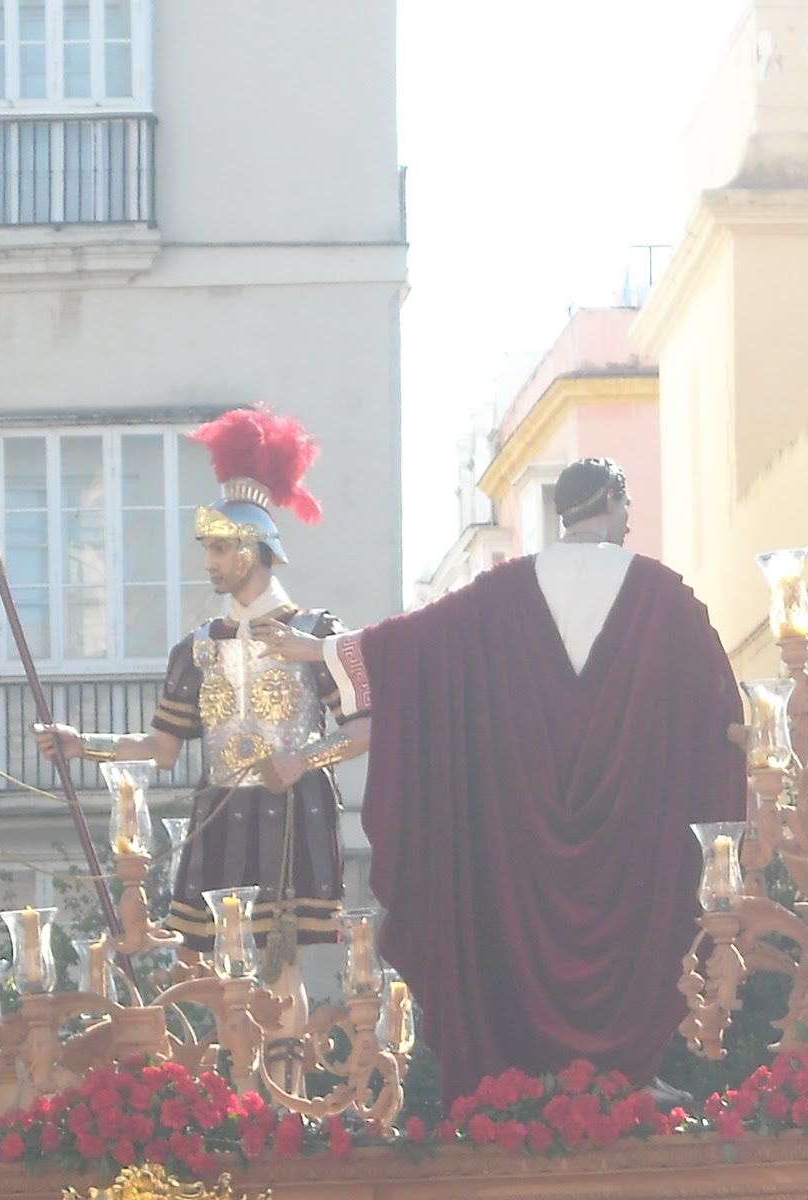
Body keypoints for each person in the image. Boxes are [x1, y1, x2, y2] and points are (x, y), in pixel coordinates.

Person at [255, 457, 746, 1106]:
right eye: (626, 504)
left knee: (513, 946)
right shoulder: (664, 597)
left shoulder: (501, 592)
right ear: (610, 499)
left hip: (525, 848)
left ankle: (528, 1083)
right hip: (632, 840)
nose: (631, 518)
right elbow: (721, 717)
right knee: (641, 938)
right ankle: (629, 1077)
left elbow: (409, 648)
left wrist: (318, 650)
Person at [35, 408, 369, 1085]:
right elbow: (162, 749)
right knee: (219, 971)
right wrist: (83, 746)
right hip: (221, 809)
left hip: (288, 810)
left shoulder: (316, 633)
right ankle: (239, 1091)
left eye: (220, 548)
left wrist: (302, 760)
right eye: (209, 550)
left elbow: (368, 730)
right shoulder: (195, 649)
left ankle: (289, 1095)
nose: (210, 563)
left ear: (252, 547)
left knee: (278, 967)